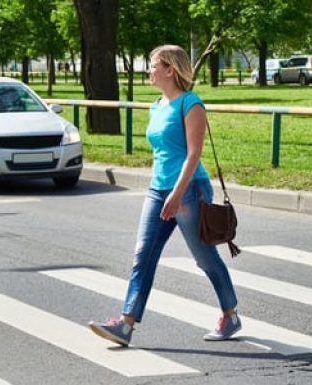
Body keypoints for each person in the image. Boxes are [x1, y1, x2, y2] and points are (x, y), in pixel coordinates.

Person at [88, 44, 241, 347]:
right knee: (143, 254)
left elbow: (193, 154)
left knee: (204, 256)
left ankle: (230, 314)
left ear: (170, 69)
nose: (149, 70)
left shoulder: (191, 104)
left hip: (188, 189)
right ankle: (126, 324)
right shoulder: (156, 105)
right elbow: (163, 151)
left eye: (153, 65)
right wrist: (164, 191)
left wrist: (178, 192)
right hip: (158, 190)